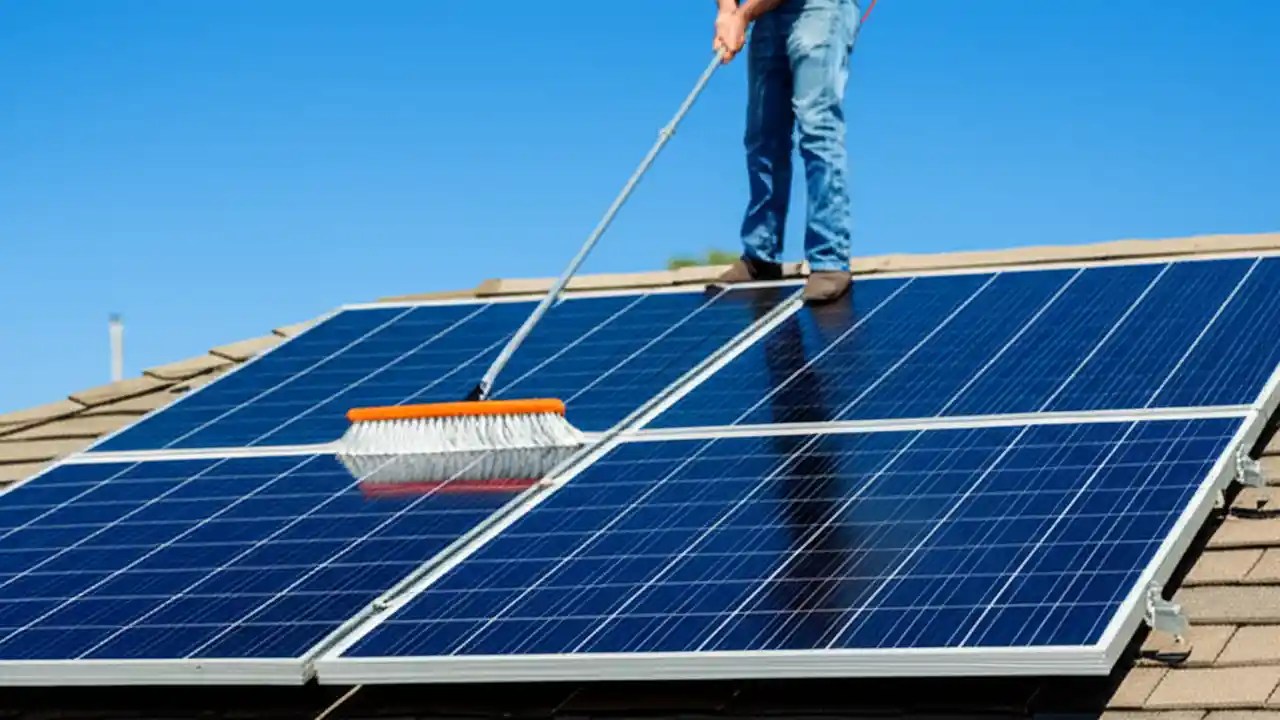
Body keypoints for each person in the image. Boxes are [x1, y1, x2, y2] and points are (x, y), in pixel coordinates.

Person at [713, 0, 861, 304]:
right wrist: (727, 10)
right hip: (765, 14)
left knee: (817, 127)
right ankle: (760, 257)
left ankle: (829, 261)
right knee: (763, 134)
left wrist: (743, 14)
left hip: (820, 8)